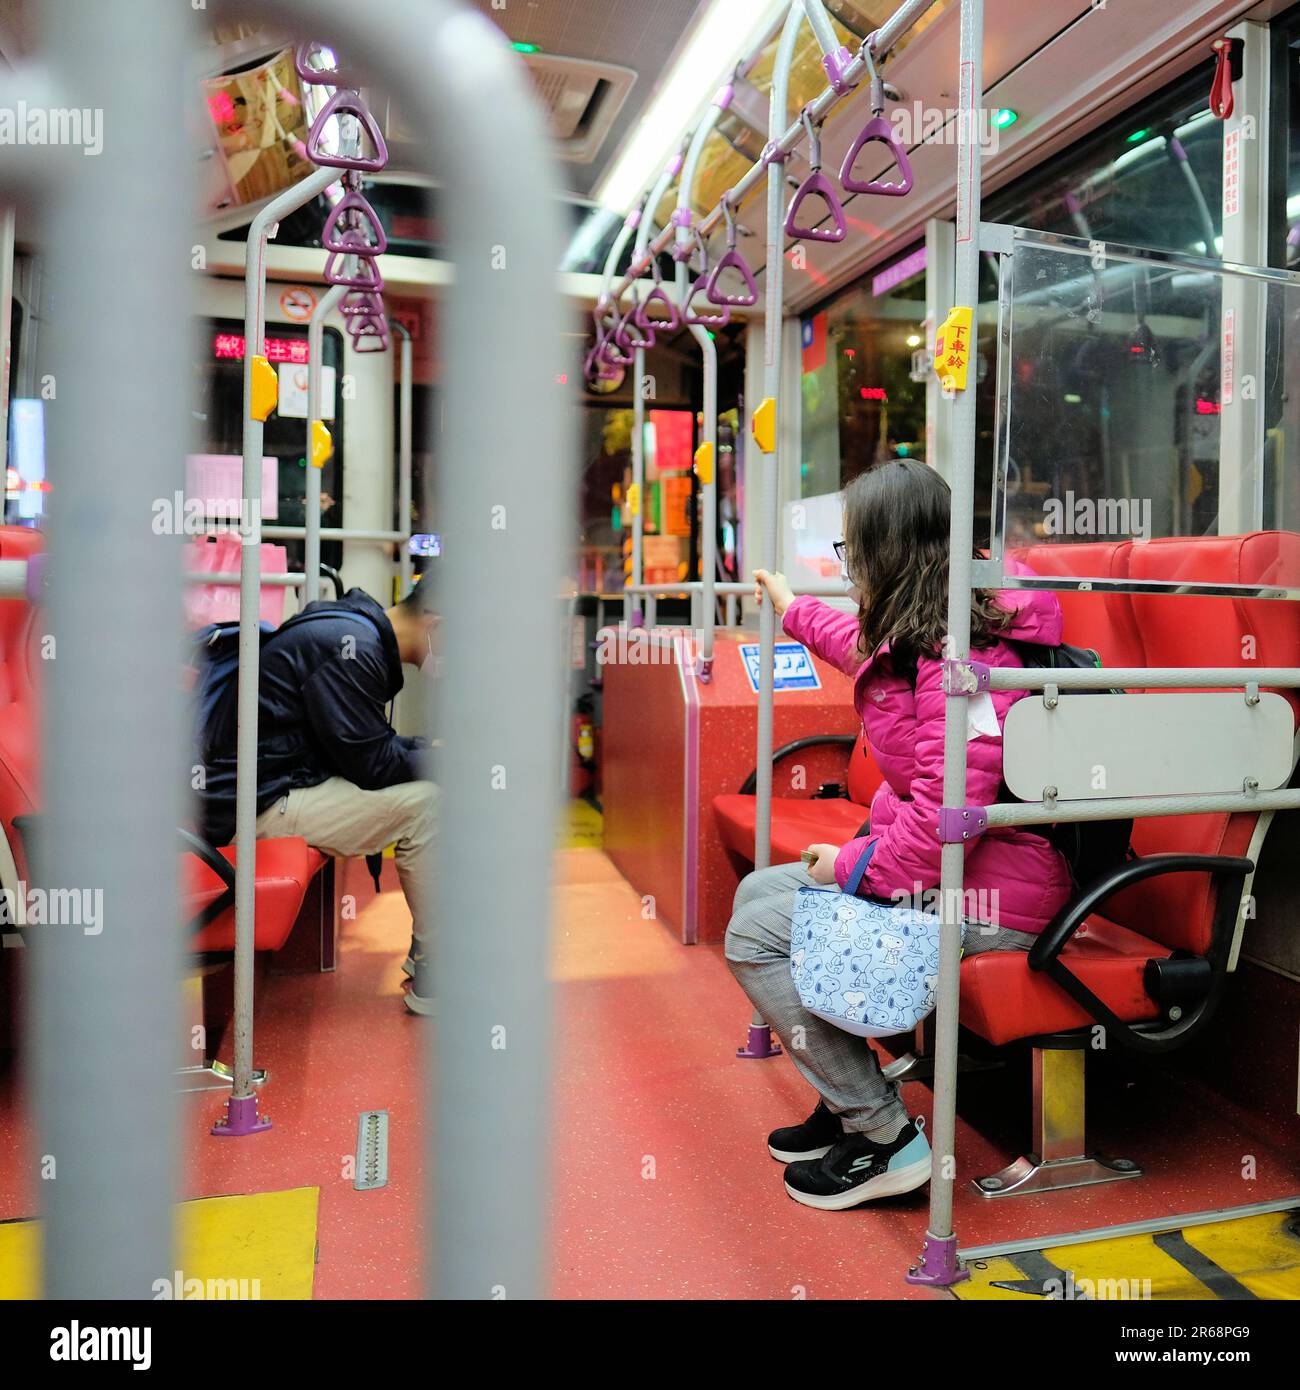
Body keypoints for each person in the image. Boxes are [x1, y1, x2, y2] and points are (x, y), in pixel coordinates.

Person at [730, 458, 1071, 1210]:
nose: (846, 567)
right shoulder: (925, 633)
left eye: (852, 550)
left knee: (757, 934)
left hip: (993, 900)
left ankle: (882, 1137)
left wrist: (844, 866)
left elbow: (939, 832)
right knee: (760, 890)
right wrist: (790, 606)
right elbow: (857, 644)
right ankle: (850, 1091)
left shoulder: (965, 662)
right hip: (944, 876)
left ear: (888, 551)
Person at [197, 575, 438, 1011]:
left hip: (261, 788)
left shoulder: (352, 629)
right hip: (252, 807)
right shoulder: (352, 648)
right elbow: (373, 765)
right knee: (429, 805)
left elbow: (363, 746)